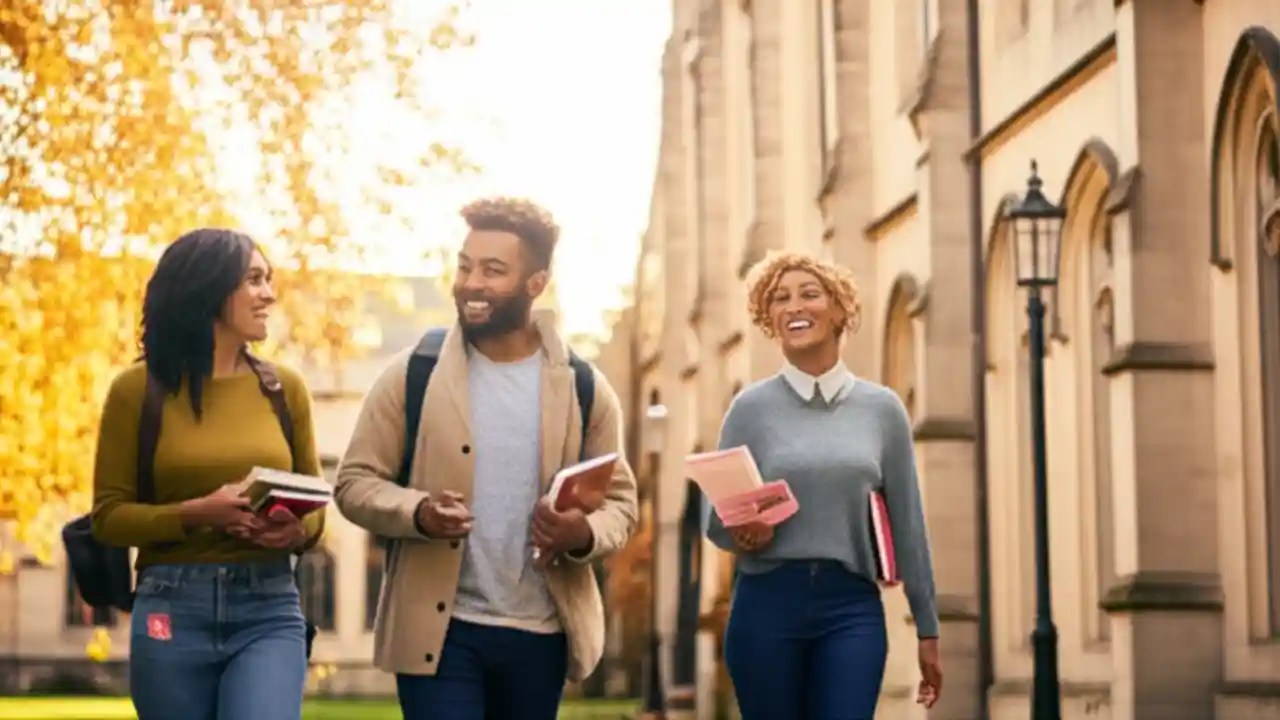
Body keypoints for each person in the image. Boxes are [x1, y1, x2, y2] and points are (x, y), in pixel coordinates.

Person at [334, 196, 638, 720]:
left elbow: (622, 504)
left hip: (540, 635)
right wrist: (419, 512)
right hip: (442, 634)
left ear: (535, 283)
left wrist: (581, 533)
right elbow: (355, 483)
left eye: (494, 271)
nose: (472, 284)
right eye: (466, 266)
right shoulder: (413, 374)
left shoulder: (585, 388)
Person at [91, 229, 324, 720]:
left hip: (269, 604)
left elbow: (317, 513)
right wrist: (199, 514)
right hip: (171, 605)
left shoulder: (285, 390)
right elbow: (109, 518)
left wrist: (292, 530)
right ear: (209, 289)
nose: (270, 294)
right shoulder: (138, 390)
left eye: (270, 279)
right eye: (254, 280)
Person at [706, 250, 942, 719]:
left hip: (850, 608)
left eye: (809, 294)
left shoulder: (882, 410)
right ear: (769, 319)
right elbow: (716, 522)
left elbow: (909, 523)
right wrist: (745, 531)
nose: (794, 306)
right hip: (765, 603)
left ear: (839, 312)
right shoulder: (750, 409)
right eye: (780, 299)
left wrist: (928, 629)